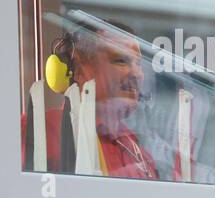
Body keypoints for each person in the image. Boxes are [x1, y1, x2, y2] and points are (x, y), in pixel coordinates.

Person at [48, 20, 158, 179]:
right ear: (78, 70)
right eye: (121, 60)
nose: (137, 74)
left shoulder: (136, 149)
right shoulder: (47, 130)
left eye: (138, 63)